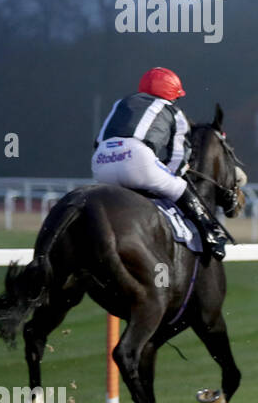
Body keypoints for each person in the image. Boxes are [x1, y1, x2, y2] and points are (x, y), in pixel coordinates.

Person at [92, 67, 231, 259]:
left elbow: (98, 141)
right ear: (172, 94)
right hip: (137, 158)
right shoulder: (173, 111)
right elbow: (178, 158)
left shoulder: (121, 103)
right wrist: (173, 173)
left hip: (101, 162)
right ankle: (210, 235)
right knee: (178, 186)